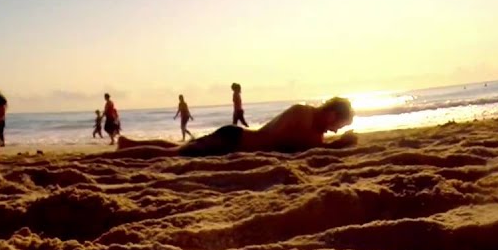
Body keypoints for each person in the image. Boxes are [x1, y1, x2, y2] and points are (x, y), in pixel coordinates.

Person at [118, 97, 356, 157]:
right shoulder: (304, 114)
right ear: (332, 114)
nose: (334, 131)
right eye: (338, 125)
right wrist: (338, 145)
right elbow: (298, 146)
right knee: (172, 155)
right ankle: (128, 148)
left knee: (180, 148)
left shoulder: (313, 126)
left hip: (235, 141)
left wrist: (335, 144)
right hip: (232, 140)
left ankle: (128, 144)